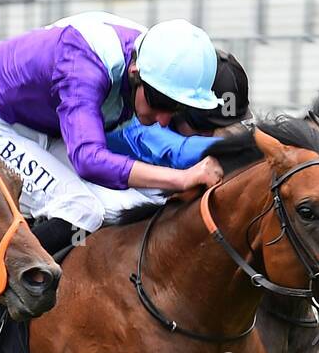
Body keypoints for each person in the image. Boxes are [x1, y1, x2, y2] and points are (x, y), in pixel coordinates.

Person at [0, 13, 227, 343]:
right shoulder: (85, 65)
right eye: (161, 103)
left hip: (49, 125)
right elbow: (89, 160)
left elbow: (159, 151)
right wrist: (181, 179)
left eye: (174, 109)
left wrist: (240, 150)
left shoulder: (155, 58)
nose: (163, 119)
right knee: (82, 208)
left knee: (147, 200)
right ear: (135, 73)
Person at [93, 48, 252, 223]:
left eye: (223, 128)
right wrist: (250, 146)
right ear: (179, 108)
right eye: (204, 126)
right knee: (89, 213)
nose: (209, 136)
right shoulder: (142, 120)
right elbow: (177, 151)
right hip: (72, 159)